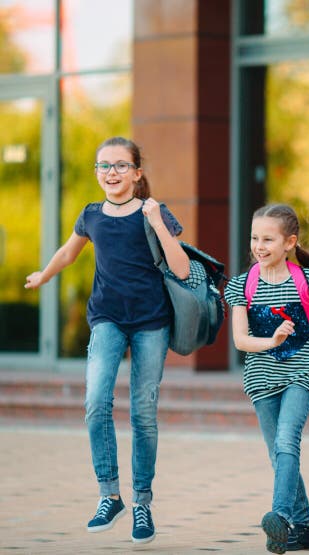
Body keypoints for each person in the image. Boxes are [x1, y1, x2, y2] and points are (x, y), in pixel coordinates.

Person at [24, 137, 190, 544]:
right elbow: (68, 253)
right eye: (103, 166)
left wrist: (156, 224)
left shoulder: (155, 212)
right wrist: (43, 276)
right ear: (97, 173)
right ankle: (109, 494)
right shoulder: (92, 215)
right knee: (96, 402)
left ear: (137, 172)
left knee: (143, 413)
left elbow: (182, 270)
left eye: (119, 165)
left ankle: (142, 504)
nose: (111, 173)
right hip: (107, 319)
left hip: (152, 321)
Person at [225, 204, 309, 554]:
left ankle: (281, 516)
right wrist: (272, 341)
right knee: (278, 454)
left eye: (268, 239)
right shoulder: (242, 285)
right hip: (261, 379)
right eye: (255, 238)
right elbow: (241, 340)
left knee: (287, 442)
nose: (259, 245)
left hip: (304, 371)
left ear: (289, 243)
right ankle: (305, 528)